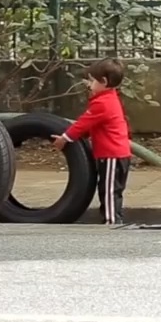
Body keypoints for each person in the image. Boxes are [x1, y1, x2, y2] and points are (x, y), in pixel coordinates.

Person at [52, 58, 132, 225]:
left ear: (103, 82)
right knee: (112, 189)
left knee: (109, 191)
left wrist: (65, 138)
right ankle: (113, 218)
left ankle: (111, 221)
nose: (89, 84)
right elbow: (94, 125)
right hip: (115, 154)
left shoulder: (103, 103)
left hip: (112, 155)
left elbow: (83, 123)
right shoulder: (109, 99)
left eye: (92, 80)